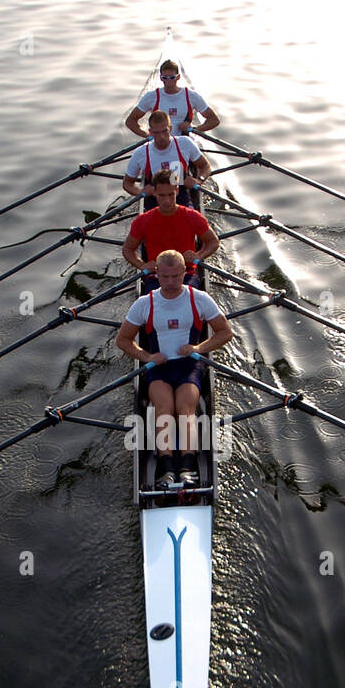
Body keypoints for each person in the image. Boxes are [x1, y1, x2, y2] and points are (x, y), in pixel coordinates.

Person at [116, 250, 233, 488]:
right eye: (165, 277)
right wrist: (147, 356)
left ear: (184, 273)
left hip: (189, 366)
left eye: (176, 276)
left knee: (185, 407)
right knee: (164, 407)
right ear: (156, 274)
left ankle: (188, 466)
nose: (170, 283)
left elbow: (225, 332)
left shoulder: (198, 298)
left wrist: (199, 347)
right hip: (158, 368)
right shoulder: (144, 303)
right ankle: (166, 467)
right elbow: (123, 340)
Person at [122, 171, 219, 288]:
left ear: (177, 191)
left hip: (186, 272)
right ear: (154, 193)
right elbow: (128, 249)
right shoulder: (143, 220)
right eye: (162, 195)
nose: (167, 200)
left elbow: (213, 241)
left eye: (171, 195)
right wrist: (142, 265)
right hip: (156, 274)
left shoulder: (192, 216)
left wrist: (199, 256)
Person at [122, 110, 212, 208]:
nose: (161, 137)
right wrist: (140, 191)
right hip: (154, 200)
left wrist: (199, 180)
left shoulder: (185, 143)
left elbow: (205, 166)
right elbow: (127, 183)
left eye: (165, 131)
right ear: (150, 132)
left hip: (180, 196)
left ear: (170, 128)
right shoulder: (140, 153)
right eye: (156, 132)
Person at [126, 58, 221, 140]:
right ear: (161, 78)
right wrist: (147, 136)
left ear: (178, 77)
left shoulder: (191, 96)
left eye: (172, 77)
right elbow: (130, 121)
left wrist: (194, 129)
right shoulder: (151, 97)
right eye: (165, 78)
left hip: (184, 141)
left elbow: (214, 120)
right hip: (160, 143)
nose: (168, 81)